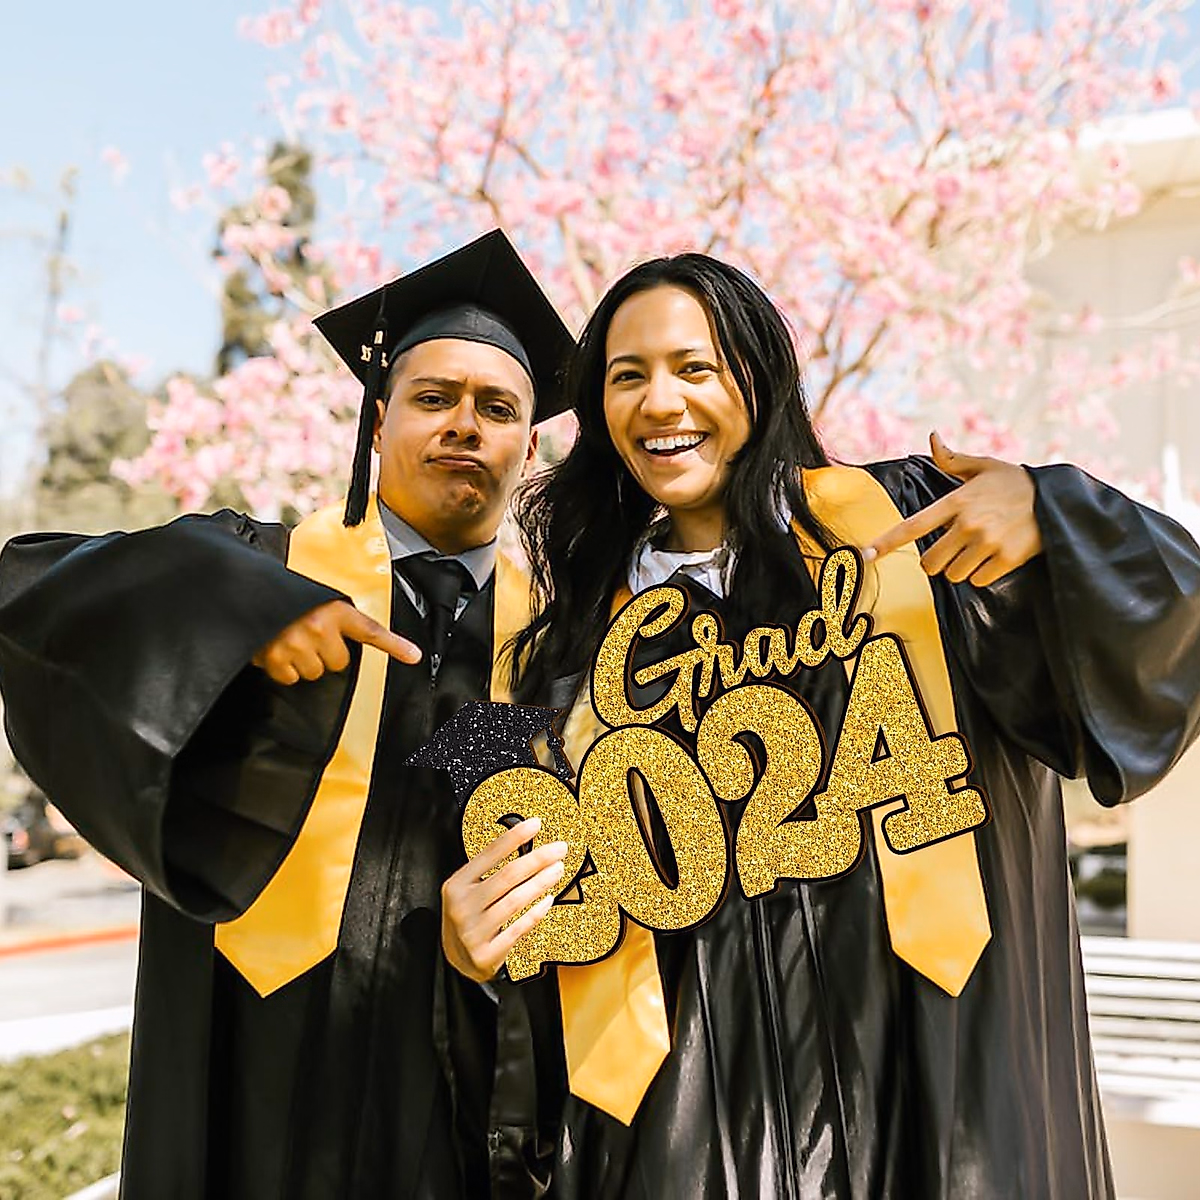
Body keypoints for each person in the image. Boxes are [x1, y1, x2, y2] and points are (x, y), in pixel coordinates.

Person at [443, 253, 1200, 1198]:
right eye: (626, 376)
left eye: (695, 366)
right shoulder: (571, 657)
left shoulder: (909, 534)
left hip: (937, 1094)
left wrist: (1058, 515)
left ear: (762, 375)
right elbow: (555, 931)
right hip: (687, 1141)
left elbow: (1166, 634)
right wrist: (478, 951)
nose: (660, 401)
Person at [0, 230, 575, 1199]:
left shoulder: (560, 655)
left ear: (529, 444)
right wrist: (239, 618)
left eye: (497, 408)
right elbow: (31, 595)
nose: (464, 425)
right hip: (241, 1068)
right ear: (377, 421)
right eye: (434, 398)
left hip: (451, 1097)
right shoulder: (262, 566)